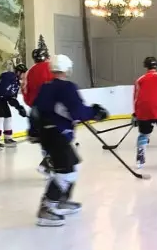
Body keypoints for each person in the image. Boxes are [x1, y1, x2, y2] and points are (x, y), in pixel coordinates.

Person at [33, 54, 108, 227]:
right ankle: (47, 208)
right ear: (67, 69)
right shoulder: (67, 87)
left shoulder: (45, 87)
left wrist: (34, 130)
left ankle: (60, 201)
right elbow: (77, 111)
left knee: (72, 165)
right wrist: (95, 113)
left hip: (49, 135)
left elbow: (36, 110)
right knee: (65, 172)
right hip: (57, 135)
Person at [23, 46, 55, 174]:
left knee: (43, 137)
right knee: (58, 135)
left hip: (36, 109)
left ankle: (47, 162)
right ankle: (48, 163)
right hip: (53, 108)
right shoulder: (52, 67)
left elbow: (25, 91)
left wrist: (32, 104)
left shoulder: (29, 72)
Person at [0, 64, 28, 150]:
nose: (25, 76)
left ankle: (8, 138)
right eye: (24, 73)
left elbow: (11, 98)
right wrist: (14, 103)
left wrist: (19, 107)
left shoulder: (16, 83)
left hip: (1, 98)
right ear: (19, 72)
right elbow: (4, 91)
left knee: (8, 117)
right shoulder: (8, 76)